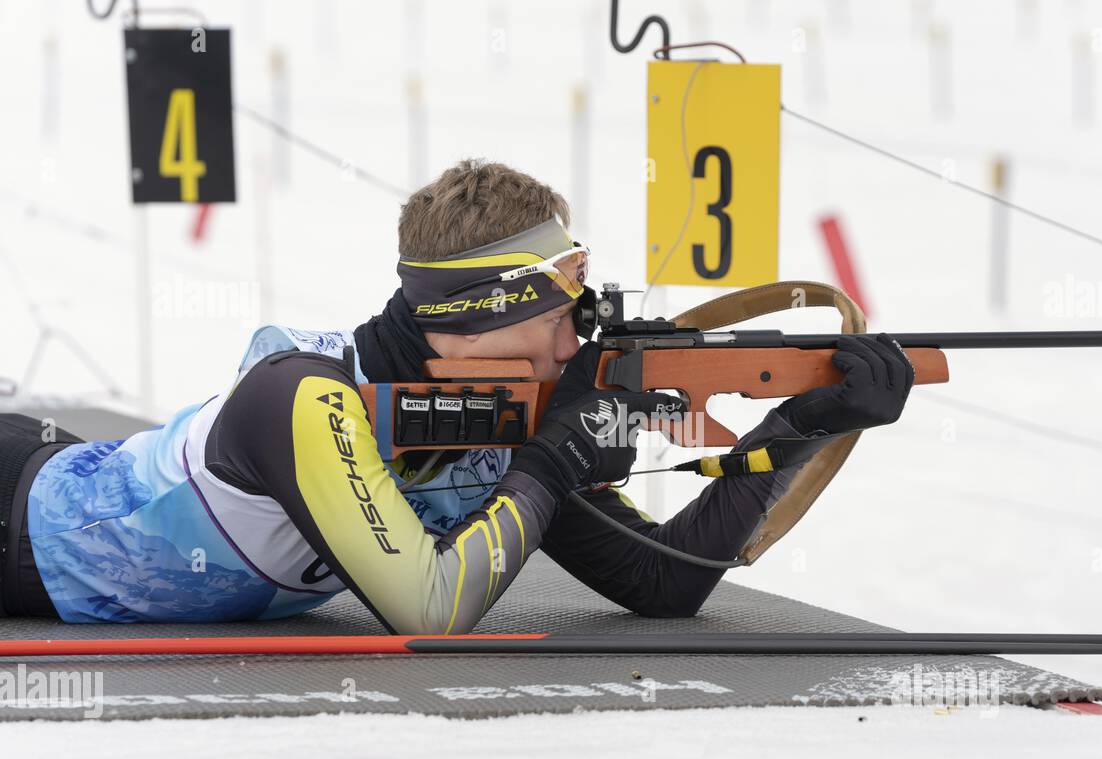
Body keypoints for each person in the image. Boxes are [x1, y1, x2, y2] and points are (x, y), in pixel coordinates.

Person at [0, 159, 913, 633]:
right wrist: (552, 460)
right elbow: (430, 610)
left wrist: (803, 424)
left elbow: (663, 580)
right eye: (559, 317)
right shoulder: (305, 399)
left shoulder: (502, 410)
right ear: (478, 320)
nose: (575, 342)